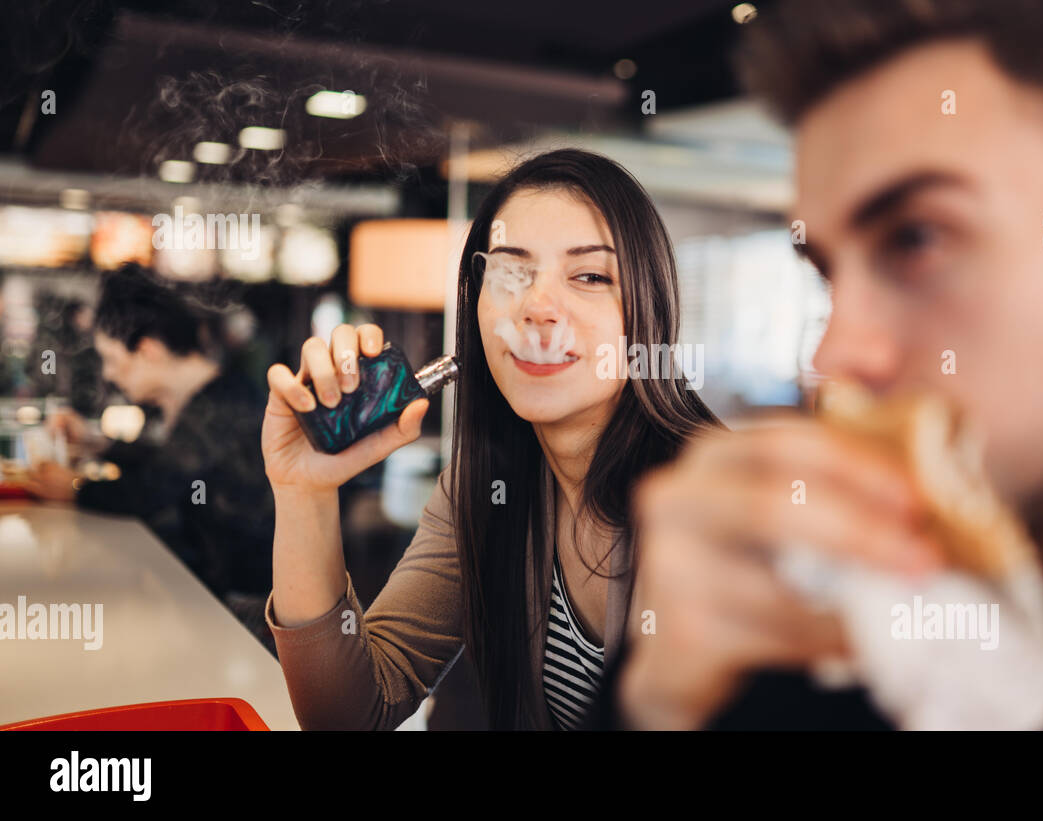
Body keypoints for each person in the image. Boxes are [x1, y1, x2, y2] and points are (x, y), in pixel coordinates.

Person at [590, 0, 1043, 730]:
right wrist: (656, 705)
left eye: (917, 238)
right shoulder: (830, 610)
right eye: (828, 273)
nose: (834, 356)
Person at [262, 149, 719, 730]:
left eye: (589, 276)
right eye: (508, 272)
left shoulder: (718, 504)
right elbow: (352, 715)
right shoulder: (486, 485)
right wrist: (302, 493)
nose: (535, 307)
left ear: (649, 313)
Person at [24, 264, 276, 633]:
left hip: (251, 612)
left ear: (149, 351)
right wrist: (101, 445)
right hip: (215, 593)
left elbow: (149, 492)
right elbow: (170, 464)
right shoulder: (213, 395)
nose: (108, 374)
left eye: (111, 359)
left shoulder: (220, 409)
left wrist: (74, 489)